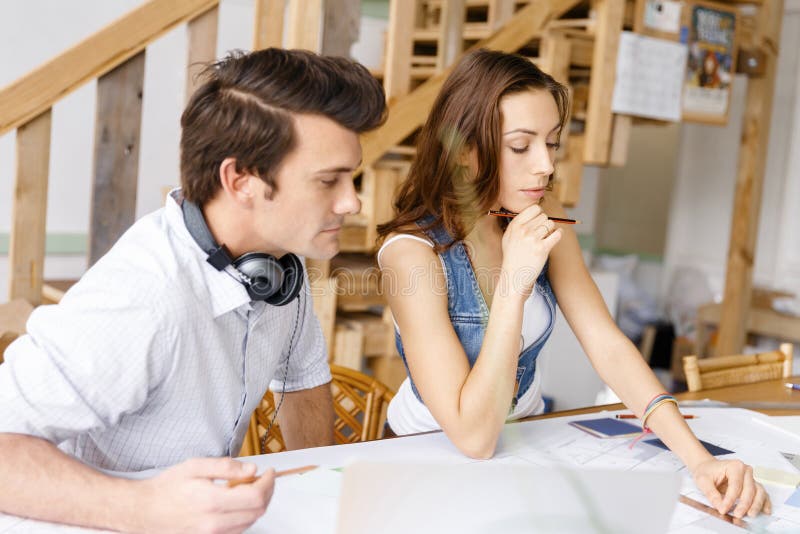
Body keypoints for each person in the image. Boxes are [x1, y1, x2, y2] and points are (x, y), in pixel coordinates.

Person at [0, 48, 385, 532]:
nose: (351, 201)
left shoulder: (279, 265)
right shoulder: (144, 294)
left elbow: (302, 376)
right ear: (240, 180)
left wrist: (326, 502)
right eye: (329, 181)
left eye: (351, 177)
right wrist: (144, 508)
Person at [376, 49, 769, 519]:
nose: (545, 165)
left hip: (522, 448)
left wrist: (700, 459)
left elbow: (607, 344)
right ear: (465, 150)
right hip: (427, 460)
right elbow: (473, 437)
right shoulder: (411, 256)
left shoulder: (539, 214)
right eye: (521, 146)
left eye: (553, 143)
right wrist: (515, 284)